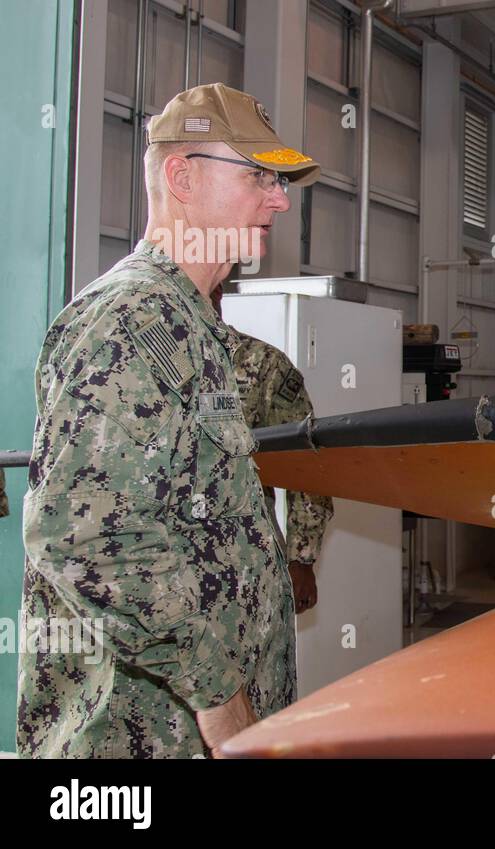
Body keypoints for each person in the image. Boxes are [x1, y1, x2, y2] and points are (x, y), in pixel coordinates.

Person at [18, 82, 320, 758]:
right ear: (181, 177)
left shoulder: (192, 324)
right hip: (140, 737)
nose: (278, 198)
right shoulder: (130, 320)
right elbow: (85, 534)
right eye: (258, 177)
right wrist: (220, 696)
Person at [211, 285, 333, 614]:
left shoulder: (261, 364)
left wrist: (301, 558)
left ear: (217, 291)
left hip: (247, 561)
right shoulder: (151, 366)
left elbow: (306, 460)